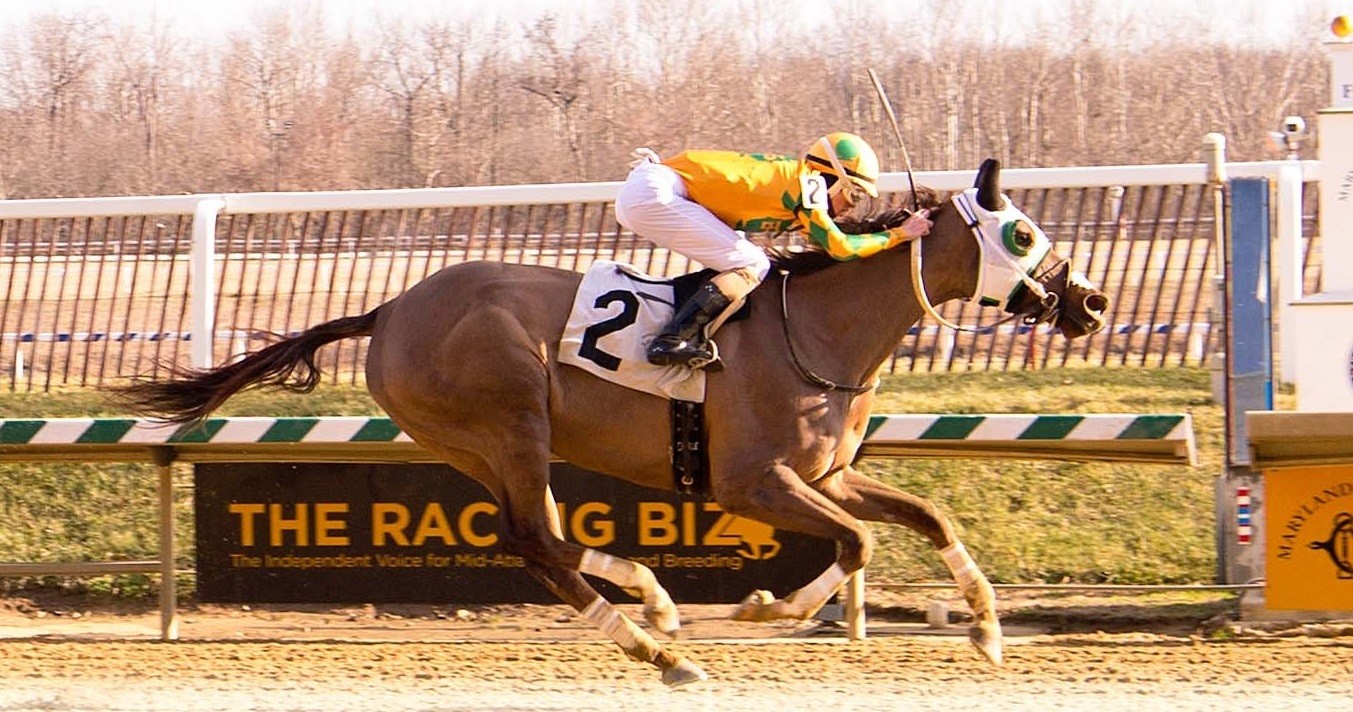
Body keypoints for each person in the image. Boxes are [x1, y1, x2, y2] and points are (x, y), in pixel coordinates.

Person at [613, 131, 934, 369]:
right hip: (656, 193)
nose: (850, 206)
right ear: (834, 178)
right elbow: (839, 248)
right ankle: (671, 340)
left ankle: (687, 330)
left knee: (741, 258)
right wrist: (900, 234)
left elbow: (834, 240)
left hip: (654, 190)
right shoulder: (808, 184)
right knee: (752, 263)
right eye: (853, 195)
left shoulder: (799, 182)